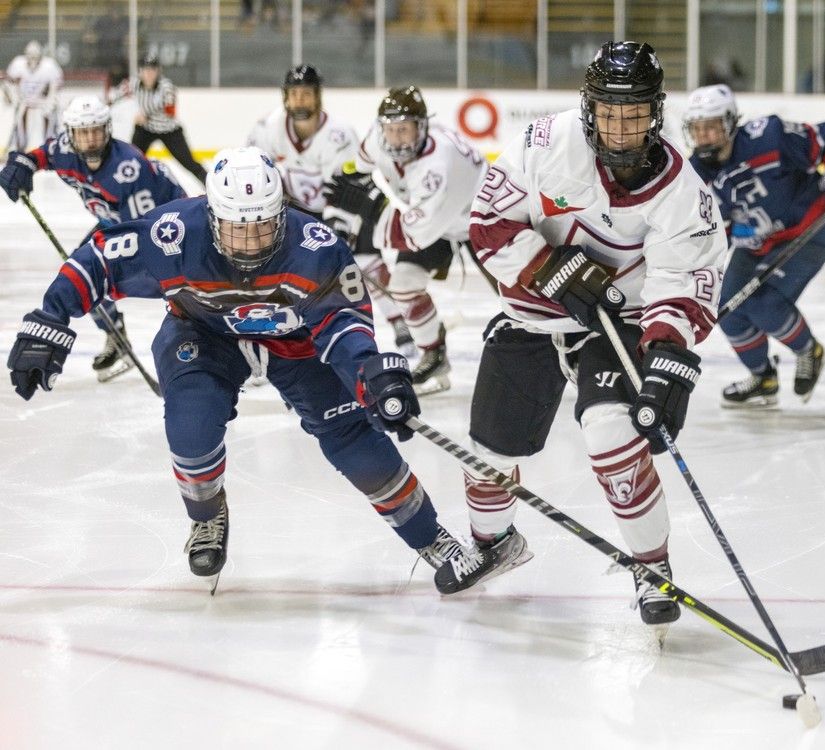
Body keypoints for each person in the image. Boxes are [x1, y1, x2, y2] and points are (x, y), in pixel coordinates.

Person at [5, 146, 486, 591]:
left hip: (295, 342)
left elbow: (342, 324)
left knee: (357, 442)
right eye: (238, 226)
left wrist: (372, 374)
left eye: (263, 225)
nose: (252, 241)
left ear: (282, 214)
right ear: (212, 216)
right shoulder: (174, 232)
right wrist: (50, 316)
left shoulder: (316, 247)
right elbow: (100, 258)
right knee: (189, 428)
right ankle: (207, 516)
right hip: (203, 335)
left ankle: (430, 538)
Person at [436, 42, 728, 626]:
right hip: (534, 313)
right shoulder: (546, 142)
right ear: (590, 108)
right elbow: (490, 223)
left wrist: (668, 351)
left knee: (611, 436)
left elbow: (681, 278)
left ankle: (654, 568)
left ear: (656, 111)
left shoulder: (683, 192)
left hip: (615, 321)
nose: (621, 127)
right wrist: (550, 268)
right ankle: (494, 545)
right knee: (490, 449)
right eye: (610, 111)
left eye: (635, 112)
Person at [682, 84, 825, 407]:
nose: (704, 136)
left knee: (760, 302)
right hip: (756, 244)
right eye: (697, 129)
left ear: (729, 123)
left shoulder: (769, 138)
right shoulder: (695, 175)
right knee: (726, 308)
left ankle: (810, 351)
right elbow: (710, 231)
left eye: (711, 127)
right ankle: (763, 377)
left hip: (808, 233)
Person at [0, 95, 186, 381]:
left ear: (107, 129)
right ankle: (115, 336)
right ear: (71, 134)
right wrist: (24, 164)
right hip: (115, 220)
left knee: (180, 287)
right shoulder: (64, 148)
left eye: (96, 130)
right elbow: (41, 155)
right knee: (84, 273)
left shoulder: (129, 170)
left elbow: (144, 234)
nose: (90, 139)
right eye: (83, 132)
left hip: (166, 226)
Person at [324, 85, 488, 394]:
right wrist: (341, 224)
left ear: (422, 127)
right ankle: (434, 354)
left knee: (516, 292)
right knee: (403, 285)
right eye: (391, 130)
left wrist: (369, 209)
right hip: (437, 220)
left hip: (484, 217)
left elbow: (411, 236)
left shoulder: (437, 165)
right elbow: (350, 178)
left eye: (405, 130)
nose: (397, 138)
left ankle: (556, 345)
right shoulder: (376, 140)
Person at [247, 65, 413, 354]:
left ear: (318, 97)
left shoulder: (339, 135)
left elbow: (348, 188)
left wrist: (339, 230)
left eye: (307, 94)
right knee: (283, 271)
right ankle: (276, 335)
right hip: (299, 212)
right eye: (295, 94)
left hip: (345, 209)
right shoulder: (267, 129)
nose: (300, 101)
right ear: (285, 97)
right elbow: (255, 170)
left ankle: (399, 321)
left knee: (365, 263)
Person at [109, 55, 207, 184]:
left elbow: (170, 113)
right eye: (146, 70)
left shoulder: (166, 87)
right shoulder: (134, 83)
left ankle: (212, 187)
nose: (149, 74)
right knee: (131, 161)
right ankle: (125, 190)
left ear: (158, 71)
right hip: (145, 130)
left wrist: (146, 115)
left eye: (152, 70)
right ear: (140, 71)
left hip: (169, 131)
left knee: (190, 164)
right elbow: (115, 96)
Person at [3, 41, 63, 152]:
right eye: (30, 57)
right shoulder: (18, 63)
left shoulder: (49, 66)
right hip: (24, 100)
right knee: (19, 119)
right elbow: (9, 81)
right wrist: (12, 95)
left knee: (50, 118)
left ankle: (50, 147)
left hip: (44, 100)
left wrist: (50, 98)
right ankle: (19, 147)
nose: (33, 60)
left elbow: (57, 84)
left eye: (36, 57)